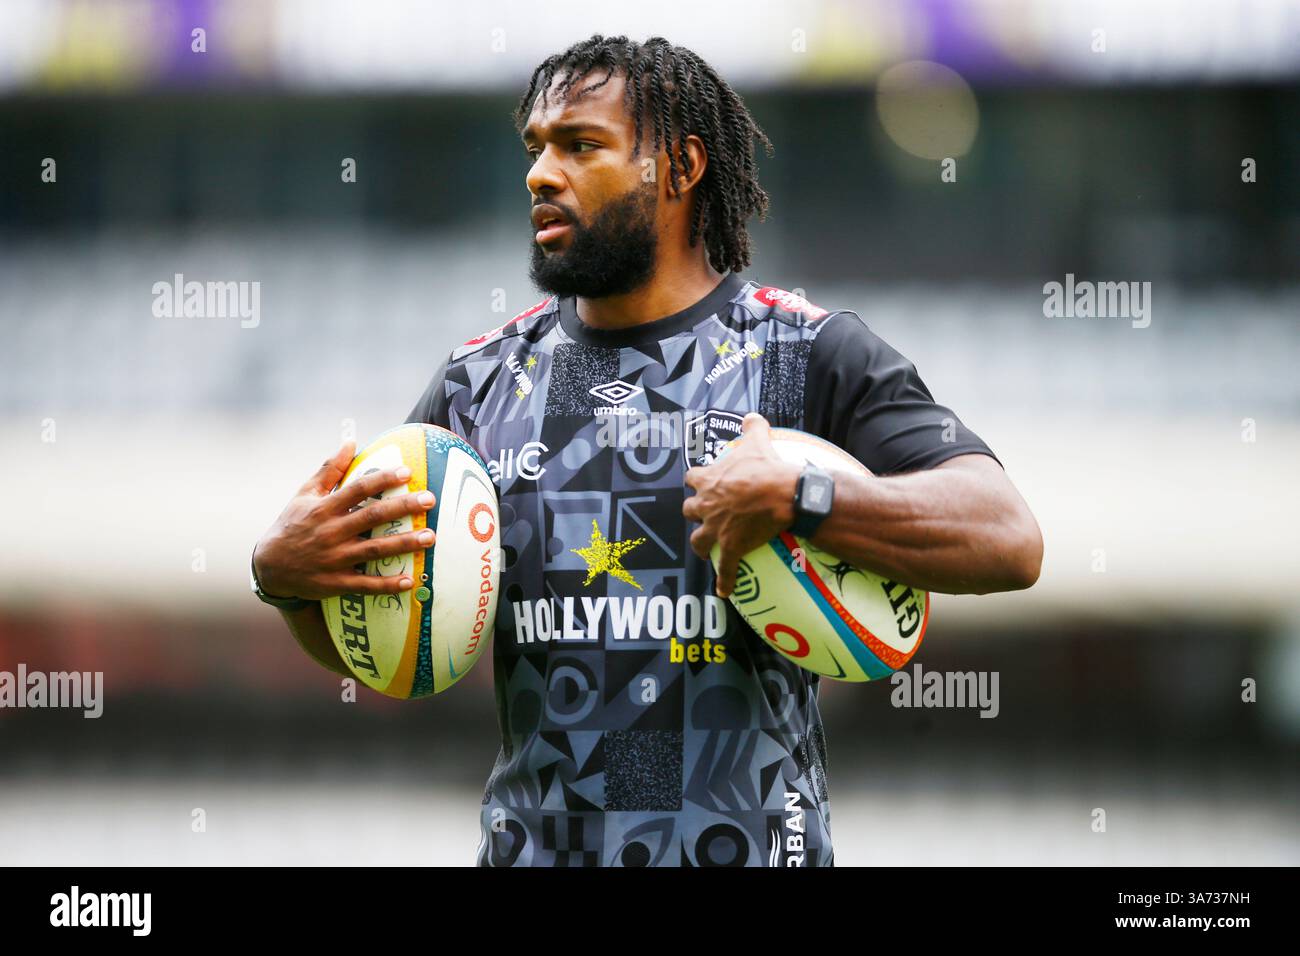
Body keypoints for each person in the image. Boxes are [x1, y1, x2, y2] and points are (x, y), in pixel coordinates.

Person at [251, 34, 1043, 867]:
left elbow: (1006, 537)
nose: (540, 174)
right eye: (535, 147)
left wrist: (806, 494)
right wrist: (287, 582)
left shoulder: (808, 353)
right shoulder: (475, 384)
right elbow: (390, 647)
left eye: (581, 144)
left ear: (681, 164)